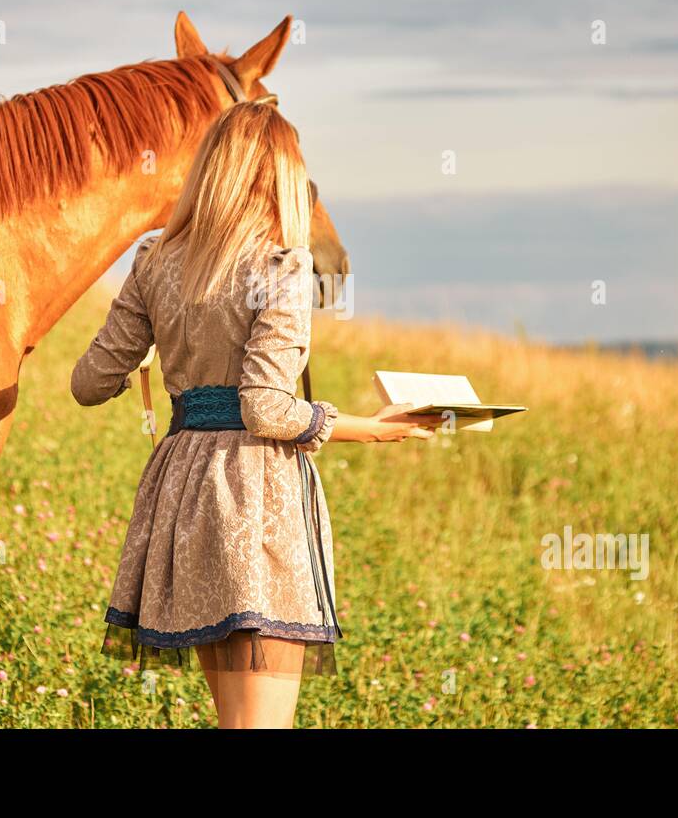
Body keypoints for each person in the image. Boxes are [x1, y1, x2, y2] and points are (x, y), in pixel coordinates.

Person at [71, 102, 438, 728]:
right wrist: (372, 428)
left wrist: (171, 349)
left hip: (183, 489)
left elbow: (87, 382)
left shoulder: (155, 261)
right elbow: (266, 409)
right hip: (257, 496)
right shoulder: (280, 267)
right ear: (278, 176)